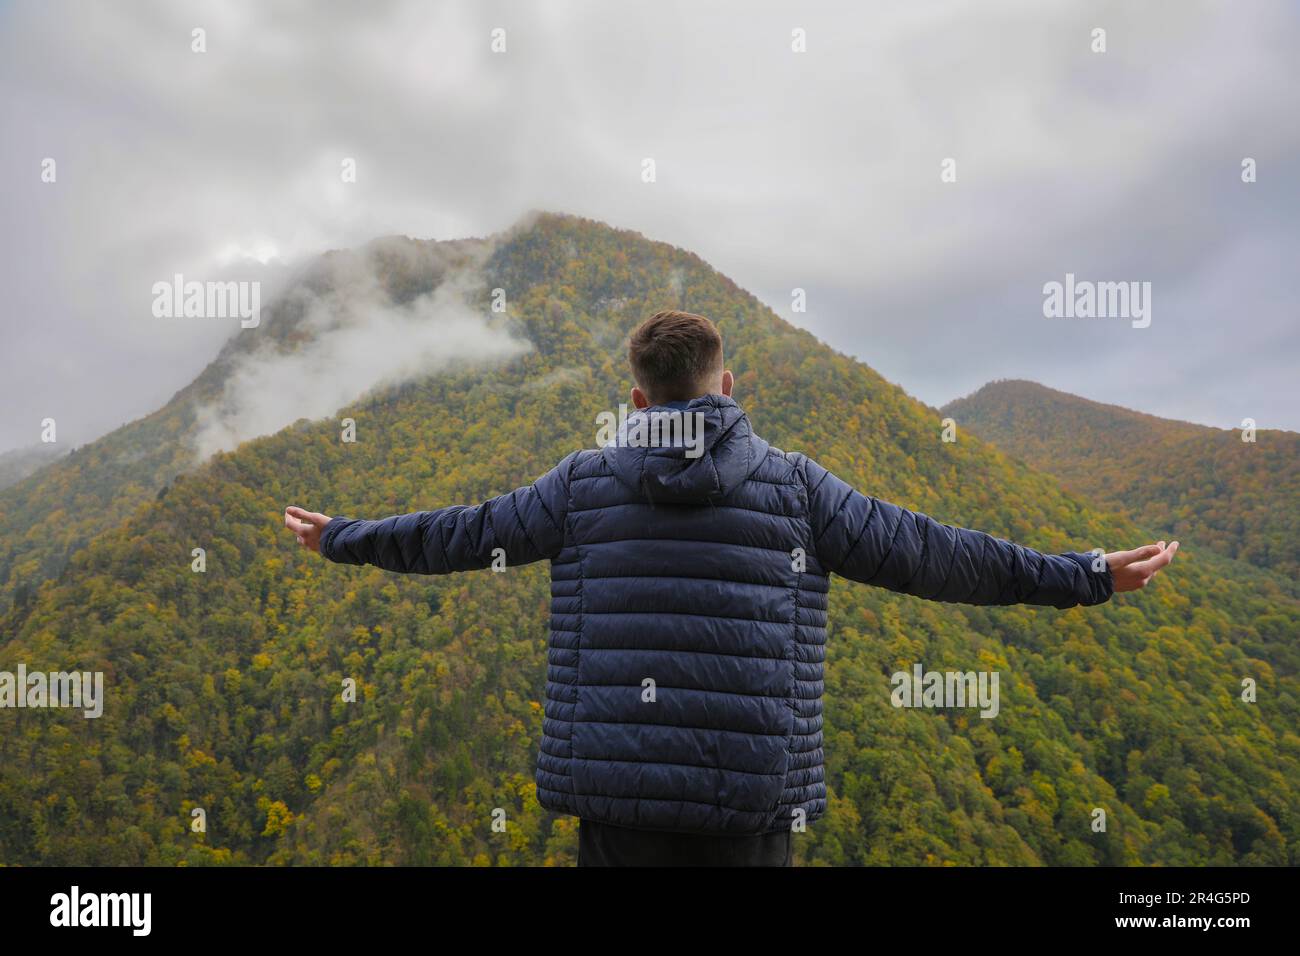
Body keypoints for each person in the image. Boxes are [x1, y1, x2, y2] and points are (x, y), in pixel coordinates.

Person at [284, 309, 1178, 867]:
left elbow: (462, 534)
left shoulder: (579, 485)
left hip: (619, 804)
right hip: (746, 805)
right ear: (728, 385)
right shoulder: (797, 488)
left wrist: (347, 538)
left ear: (636, 401)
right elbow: (937, 556)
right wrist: (1085, 575)